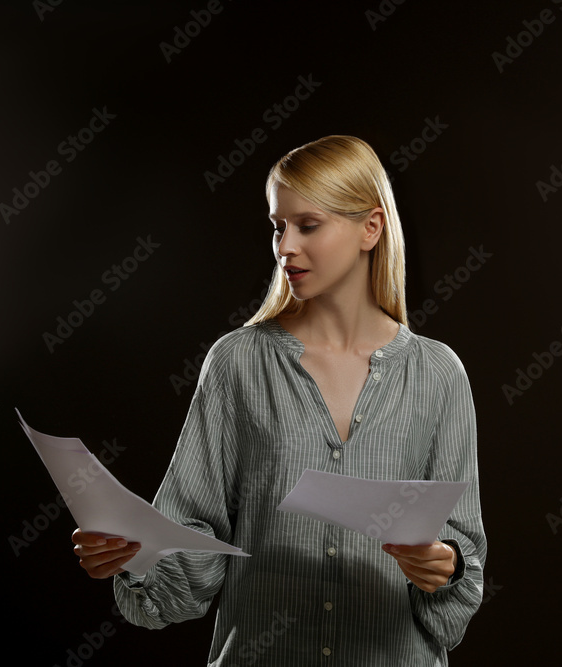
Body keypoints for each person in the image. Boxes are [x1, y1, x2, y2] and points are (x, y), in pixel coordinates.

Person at [71, 135, 486, 665]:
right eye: (277, 226)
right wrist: (134, 554)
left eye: (307, 225)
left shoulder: (438, 374)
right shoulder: (236, 363)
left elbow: (460, 568)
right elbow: (189, 559)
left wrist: (443, 567)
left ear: (371, 228)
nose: (285, 246)